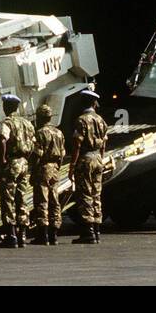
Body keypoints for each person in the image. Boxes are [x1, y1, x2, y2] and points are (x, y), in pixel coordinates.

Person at [0, 94, 36, 248]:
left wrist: (3, 158)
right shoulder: (27, 123)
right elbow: (33, 143)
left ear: (6, 107)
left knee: (8, 199)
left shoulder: (7, 123)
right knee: (21, 197)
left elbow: (2, 139)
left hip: (12, 163)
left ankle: (11, 234)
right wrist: (27, 158)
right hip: (24, 163)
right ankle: (23, 234)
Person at [70, 89, 109, 244]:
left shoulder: (81, 120)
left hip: (86, 159)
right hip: (98, 158)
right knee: (96, 193)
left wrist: (73, 164)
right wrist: (101, 158)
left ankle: (88, 231)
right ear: (94, 103)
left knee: (85, 194)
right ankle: (97, 229)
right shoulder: (101, 120)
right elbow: (104, 143)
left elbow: (77, 144)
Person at [30, 103, 65, 245]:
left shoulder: (40, 133)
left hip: (43, 168)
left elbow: (38, 154)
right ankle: (54, 234)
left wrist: (33, 171)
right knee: (54, 200)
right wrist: (58, 167)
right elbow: (62, 154)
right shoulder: (59, 133)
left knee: (42, 200)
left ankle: (42, 234)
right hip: (55, 168)